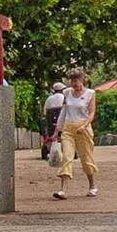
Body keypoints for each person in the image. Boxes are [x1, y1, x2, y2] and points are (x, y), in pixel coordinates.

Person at [50, 68, 98, 199]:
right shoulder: (66, 93)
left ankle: (92, 186)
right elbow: (63, 112)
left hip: (84, 128)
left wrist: (84, 125)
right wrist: (56, 131)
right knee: (67, 157)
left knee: (86, 158)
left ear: (82, 80)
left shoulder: (90, 93)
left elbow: (92, 112)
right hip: (68, 128)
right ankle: (62, 190)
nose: (74, 83)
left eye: (76, 80)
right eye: (72, 81)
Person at [41, 81, 66, 160]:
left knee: (50, 132)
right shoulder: (63, 97)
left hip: (50, 121)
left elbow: (44, 113)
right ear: (62, 90)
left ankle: (49, 148)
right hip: (62, 120)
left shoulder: (49, 99)